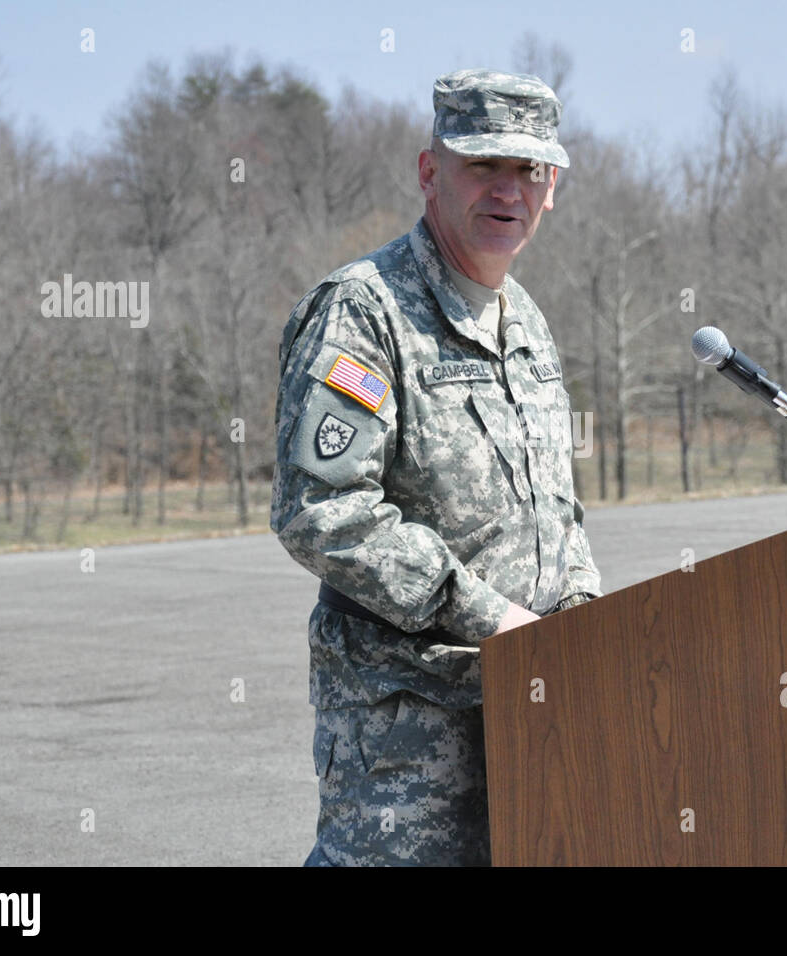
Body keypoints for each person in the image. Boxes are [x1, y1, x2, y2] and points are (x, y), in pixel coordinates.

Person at [270, 68, 601, 866]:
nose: (508, 190)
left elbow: (557, 511)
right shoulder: (364, 310)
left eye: (529, 170)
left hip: (534, 720)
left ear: (551, 187)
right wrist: (489, 618)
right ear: (430, 173)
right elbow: (324, 512)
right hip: (410, 738)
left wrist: (594, 627)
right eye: (483, 165)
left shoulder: (525, 319)